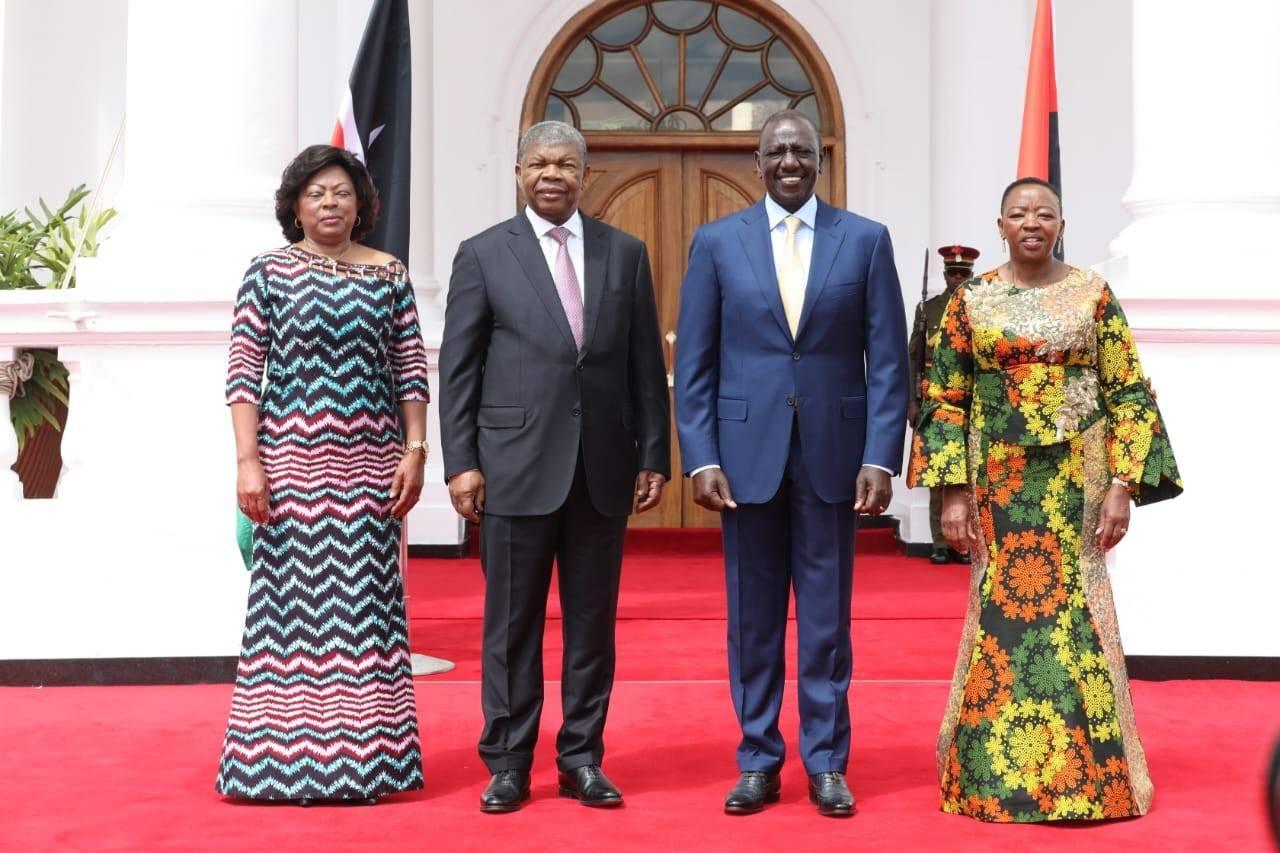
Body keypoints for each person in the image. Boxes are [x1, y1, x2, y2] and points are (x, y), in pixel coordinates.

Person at [908, 177, 1182, 822]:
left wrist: (1122, 486)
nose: (1032, 222)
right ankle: (991, 779)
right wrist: (951, 495)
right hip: (995, 482)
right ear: (999, 224)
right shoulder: (970, 300)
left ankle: (1096, 779)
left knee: (1078, 608)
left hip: (1077, 480)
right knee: (1001, 609)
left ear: (1061, 223)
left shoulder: (1092, 294)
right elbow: (944, 399)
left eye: (1045, 213)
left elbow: (1129, 394)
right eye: (1019, 213)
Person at [674, 110, 909, 817]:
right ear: (757, 161)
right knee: (752, 618)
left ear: (819, 160)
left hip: (836, 456)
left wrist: (880, 453)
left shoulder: (865, 240)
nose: (788, 161)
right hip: (745, 458)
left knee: (827, 618)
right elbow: (695, 363)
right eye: (775, 151)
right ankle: (757, 758)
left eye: (801, 151)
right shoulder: (717, 243)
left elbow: (889, 359)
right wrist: (701, 454)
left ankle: (827, 761)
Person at [438, 120, 670, 814]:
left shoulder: (624, 252)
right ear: (518, 174)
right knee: (511, 626)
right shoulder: (483, 254)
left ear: (585, 175)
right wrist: (461, 462)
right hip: (511, 467)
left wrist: (653, 452)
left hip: (601, 467)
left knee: (592, 625)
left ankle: (581, 757)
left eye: (566, 164)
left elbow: (641, 364)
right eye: (539, 162)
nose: (552, 174)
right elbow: (459, 368)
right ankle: (508, 762)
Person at [215, 145, 430, 803]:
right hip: (290, 468)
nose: (330, 202)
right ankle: (275, 765)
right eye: (316, 192)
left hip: (370, 468)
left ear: (362, 204)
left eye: (341, 191)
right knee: (291, 612)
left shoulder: (389, 273)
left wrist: (416, 448)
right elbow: (244, 372)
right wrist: (248, 462)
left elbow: (411, 368)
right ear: (295, 205)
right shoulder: (269, 273)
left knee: (364, 610)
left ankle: (368, 765)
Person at [908, 245, 980, 565]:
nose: (957, 279)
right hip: (933, 402)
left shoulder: (981, 307)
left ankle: (965, 543)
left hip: (971, 401)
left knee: (971, 472)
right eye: (952, 273)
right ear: (945, 274)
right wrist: (911, 400)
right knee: (939, 475)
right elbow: (913, 358)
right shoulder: (929, 309)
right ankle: (940, 542)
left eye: (963, 274)